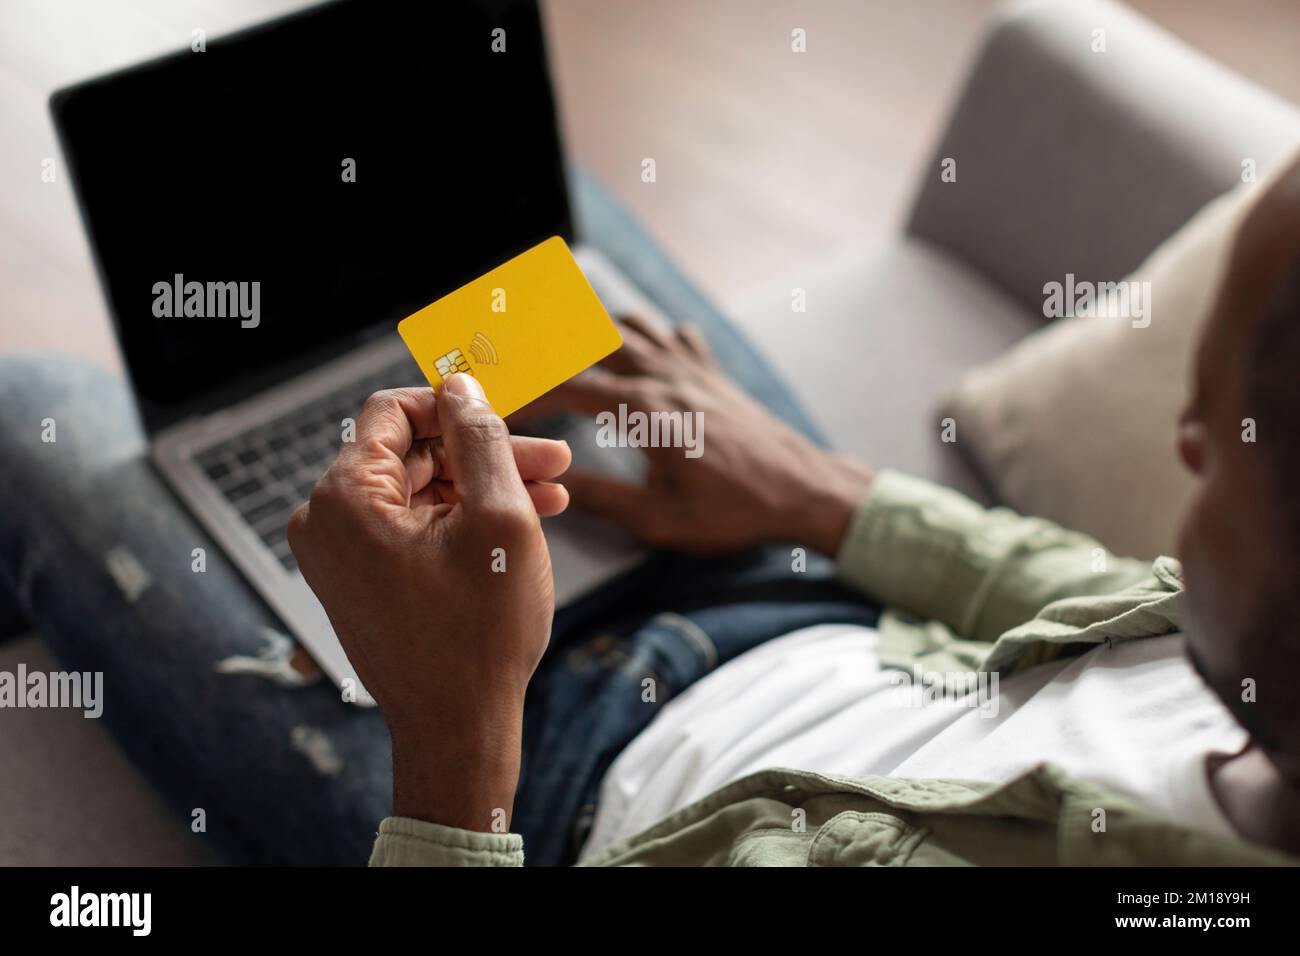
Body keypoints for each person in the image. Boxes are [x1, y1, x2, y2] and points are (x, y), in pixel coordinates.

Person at [288, 159, 1300, 866]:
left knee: (141, 455)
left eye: (1223, 455)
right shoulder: (1250, 655)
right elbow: (1120, 604)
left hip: (532, 789)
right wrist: (818, 489)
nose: (1187, 438)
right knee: (519, 240)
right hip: (816, 587)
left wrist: (453, 742)